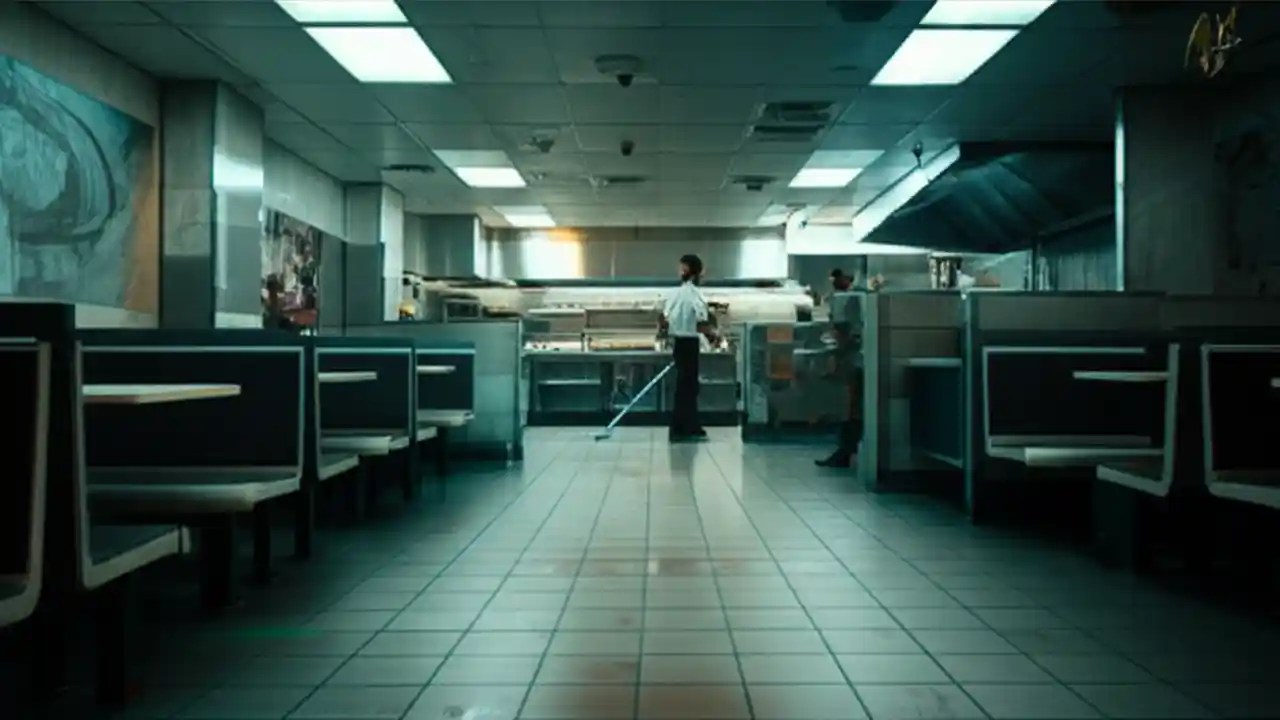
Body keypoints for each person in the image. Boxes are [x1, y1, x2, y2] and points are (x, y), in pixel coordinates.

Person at [662, 254, 714, 442]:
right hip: (690, 343)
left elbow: (664, 319)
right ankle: (688, 427)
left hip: (678, 343)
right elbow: (701, 321)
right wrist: (713, 336)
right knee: (690, 387)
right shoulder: (695, 295)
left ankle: (678, 426)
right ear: (697, 272)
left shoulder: (674, 294)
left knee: (681, 387)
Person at [816, 268, 863, 468]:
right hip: (855, 363)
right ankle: (845, 450)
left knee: (853, 410)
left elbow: (845, 333)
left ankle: (846, 451)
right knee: (851, 410)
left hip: (856, 364)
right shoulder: (851, 299)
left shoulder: (851, 300)